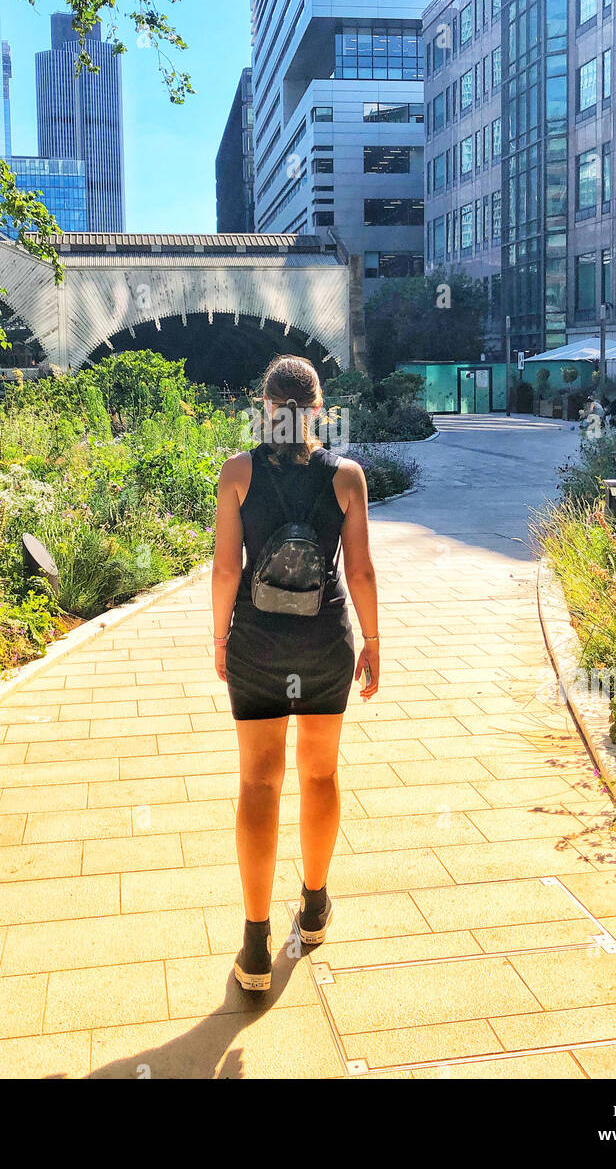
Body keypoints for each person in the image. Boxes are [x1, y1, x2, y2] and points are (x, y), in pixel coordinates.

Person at [212, 354, 379, 992]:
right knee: (321, 772)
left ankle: (254, 944)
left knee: (258, 781)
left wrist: (221, 637)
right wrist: (373, 639)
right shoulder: (347, 477)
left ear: (264, 408)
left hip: (257, 641)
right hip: (323, 643)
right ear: (316, 411)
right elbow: (360, 571)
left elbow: (226, 571)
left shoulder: (236, 474)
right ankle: (312, 908)